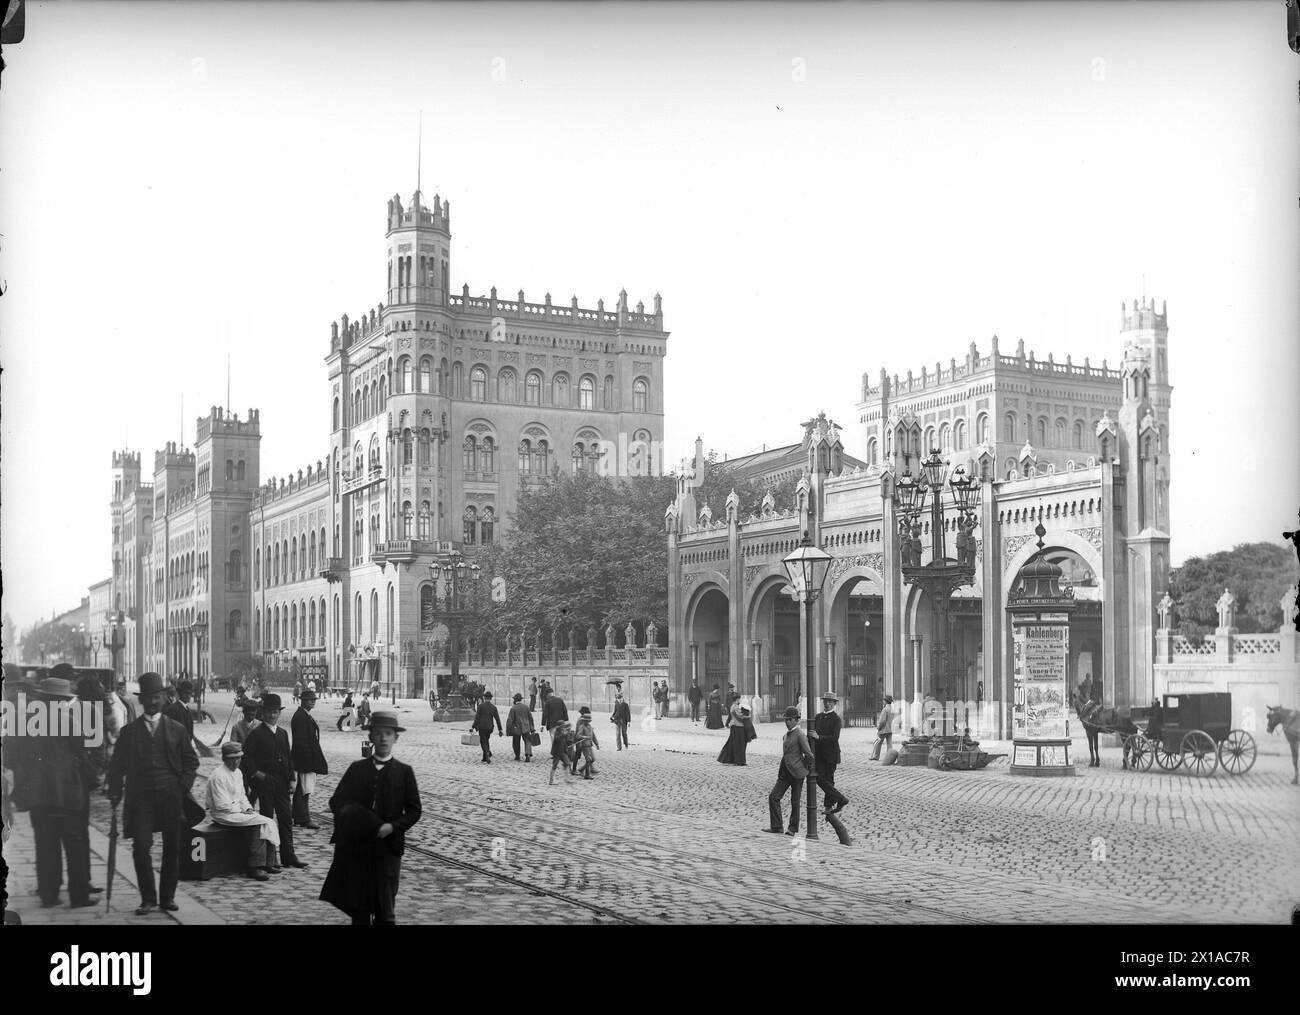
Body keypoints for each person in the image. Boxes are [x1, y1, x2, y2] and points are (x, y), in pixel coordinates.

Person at [106, 672, 200, 915]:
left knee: (172, 848)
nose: (152, 702)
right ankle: (148, 898)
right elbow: (116, 767)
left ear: (163, 697)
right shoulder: (129, 732)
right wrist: (114, 793)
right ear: (142, 700)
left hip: (171, 797)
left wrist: (182, 788)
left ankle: (167, 897)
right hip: (141, 800)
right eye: (147, 698)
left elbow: (191, 762)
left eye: (156, 697)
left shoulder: (176, 729)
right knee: (141, 847)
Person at [320, 712, 422, 925]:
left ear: (396, 738)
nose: (383, 739)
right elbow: (336, 801)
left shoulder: (404, 772)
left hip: (388, 850)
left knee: (386, 911)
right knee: (360, 909)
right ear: (371, 737)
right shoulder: (357, 769)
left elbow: (414, 811)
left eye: (388, 734)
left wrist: (393, 827)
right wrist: (355, 817)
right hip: (359, 849)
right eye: (378, 734)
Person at [19, 674, 99, 909]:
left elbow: (17, 755)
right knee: (74, 844)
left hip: (38, 794)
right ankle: (78, 896)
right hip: (68, 792)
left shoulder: (25, 721)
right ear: (60, 699)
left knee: (45, 844)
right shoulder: (69, 720)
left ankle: (48, 894)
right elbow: (82, 747)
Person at [241, 694, 307, 872]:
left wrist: (292, 778)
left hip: (282, 783)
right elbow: (246, 758)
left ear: (279, 713)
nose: (272, 715)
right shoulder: (256, 734)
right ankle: (270, 859)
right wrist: (257, 773)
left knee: (286, 819)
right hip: (265, 783)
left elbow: (288, 757)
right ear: (263, 713)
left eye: (275, 712)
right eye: (269, 712)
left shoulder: (283, 733)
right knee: (268, 819)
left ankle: (289, 856)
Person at [204, 742, 279, 882]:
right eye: (232, 758)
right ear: (224, 759)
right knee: (259, 824)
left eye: (239, 758)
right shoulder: (218, 776)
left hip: (236, 811)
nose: (236, 761)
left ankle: (269, 862)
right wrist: (240, 810)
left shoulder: (238, 773)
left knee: (268, 821)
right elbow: (222, 805)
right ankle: (253, 866)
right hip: (223, 815)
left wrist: (248, 808)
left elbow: (242, 796)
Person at [765, 705, 814, 836]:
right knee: (773, 797)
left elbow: (809, 755)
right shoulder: (785, 735)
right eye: (786, 719)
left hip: (797, 773)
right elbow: (786, 755)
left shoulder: (800, 735)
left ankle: (792, 829)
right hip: (785, 773)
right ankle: (777, 826)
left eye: (789, 719)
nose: (787, 722)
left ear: (796, 720)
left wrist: (804, 767)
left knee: (795, 801)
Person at [291, 689, 328, 829]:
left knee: (302, 788)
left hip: (304, 758)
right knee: (304, 789)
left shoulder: (304, 715)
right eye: (309, 700)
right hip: (304, 759)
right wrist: (309, 762)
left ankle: (298, 816)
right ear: (302, 700)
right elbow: (301, 743)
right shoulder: (301, 717)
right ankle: (304, 818)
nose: (312, 702)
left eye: (313, 700)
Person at [812, 692, 849, 814]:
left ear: (834, 704)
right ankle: (840, 799)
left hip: (831, 755)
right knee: (819, 778)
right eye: (825, 701)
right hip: (819, 755)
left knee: (829, 780)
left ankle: (828, 806)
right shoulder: (818, 717)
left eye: (830, 702)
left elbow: (834, 737)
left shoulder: (836, 719)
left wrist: (819, 737)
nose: (827, 704)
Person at [472, 691, 504, 763]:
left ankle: (487, 753)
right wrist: (500, 729)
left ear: (484, 697)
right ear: (491, 698)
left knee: (483, 741)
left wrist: (473, 726)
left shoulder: (480, 706)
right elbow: (497, 719)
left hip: (482, 727)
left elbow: (477, 718)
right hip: (489, 727)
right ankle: (485, 757)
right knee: (486, 740)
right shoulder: (493, 707)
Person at [718, 693, 748, 766]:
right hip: (738, 727)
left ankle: (727, 758)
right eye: (739, 699)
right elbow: (740, 717)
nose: (739, 700)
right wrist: (748, 715)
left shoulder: (732, 706)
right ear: (737, 699)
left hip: (734, 726)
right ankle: (739, 761)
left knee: (732, 744)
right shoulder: (736, 707)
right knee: (739, 745)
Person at [572, 706, 599, 778]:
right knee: (578, 755)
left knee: (589, 757)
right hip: (580, 741)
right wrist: (582, 738)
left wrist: (596, 742)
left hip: (587, 743)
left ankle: (583, 769)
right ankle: (575, 769)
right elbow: (578, 731)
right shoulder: (581, 721)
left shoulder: (588, 725)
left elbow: (592, 733)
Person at [506, 693, 535, 761]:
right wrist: (532, 728)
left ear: (515, 700)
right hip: (526, 727)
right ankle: (527, 755)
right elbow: (531, 718)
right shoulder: (526, 707)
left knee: (516, 742)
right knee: (527, 741)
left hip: (516, 728)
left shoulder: (513, 708)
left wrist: (508, 729)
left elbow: (510, 720)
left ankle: (517, 755)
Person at [548, 719, 575, 784]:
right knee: (554, 765)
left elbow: (566, 741)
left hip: (562, 752)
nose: (563, 727)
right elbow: (557, 740)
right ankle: (551, 780)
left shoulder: (563, 731)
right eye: (562, 726)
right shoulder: (556, 732)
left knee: (567, 763)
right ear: (559, 727)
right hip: (557, 752)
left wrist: (570, 737)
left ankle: (567, 779)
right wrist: (564, 734)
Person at [870, 695, 895, 760]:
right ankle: (890, 757)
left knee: (878, 743)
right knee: (889, 745)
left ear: (885, 701)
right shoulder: (892, 709)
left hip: (883, 729)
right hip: (890, 729)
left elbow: (882, 721)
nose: (883, 701)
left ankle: (876, 756)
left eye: (884, 700)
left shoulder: (885, 709)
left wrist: (879, 727)